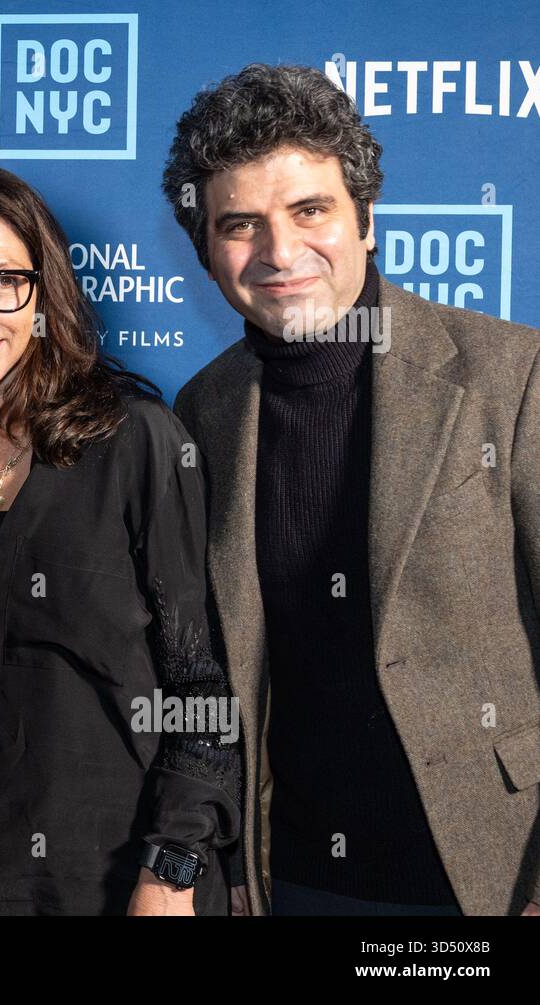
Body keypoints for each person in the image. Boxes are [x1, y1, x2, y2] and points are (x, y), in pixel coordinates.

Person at [165, 63, 540, 917]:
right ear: (205, 250)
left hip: (491, 872)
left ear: (365, 218)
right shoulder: (203, 411)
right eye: (241, 224)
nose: (280, 252)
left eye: (309, 211)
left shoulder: (512, 376)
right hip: (290, 878)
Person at [0, 162, 241, 916]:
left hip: (128, 891)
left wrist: (167, 874)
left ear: (45, 291)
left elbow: (202, 696)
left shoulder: (136, 441)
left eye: (4, 280)